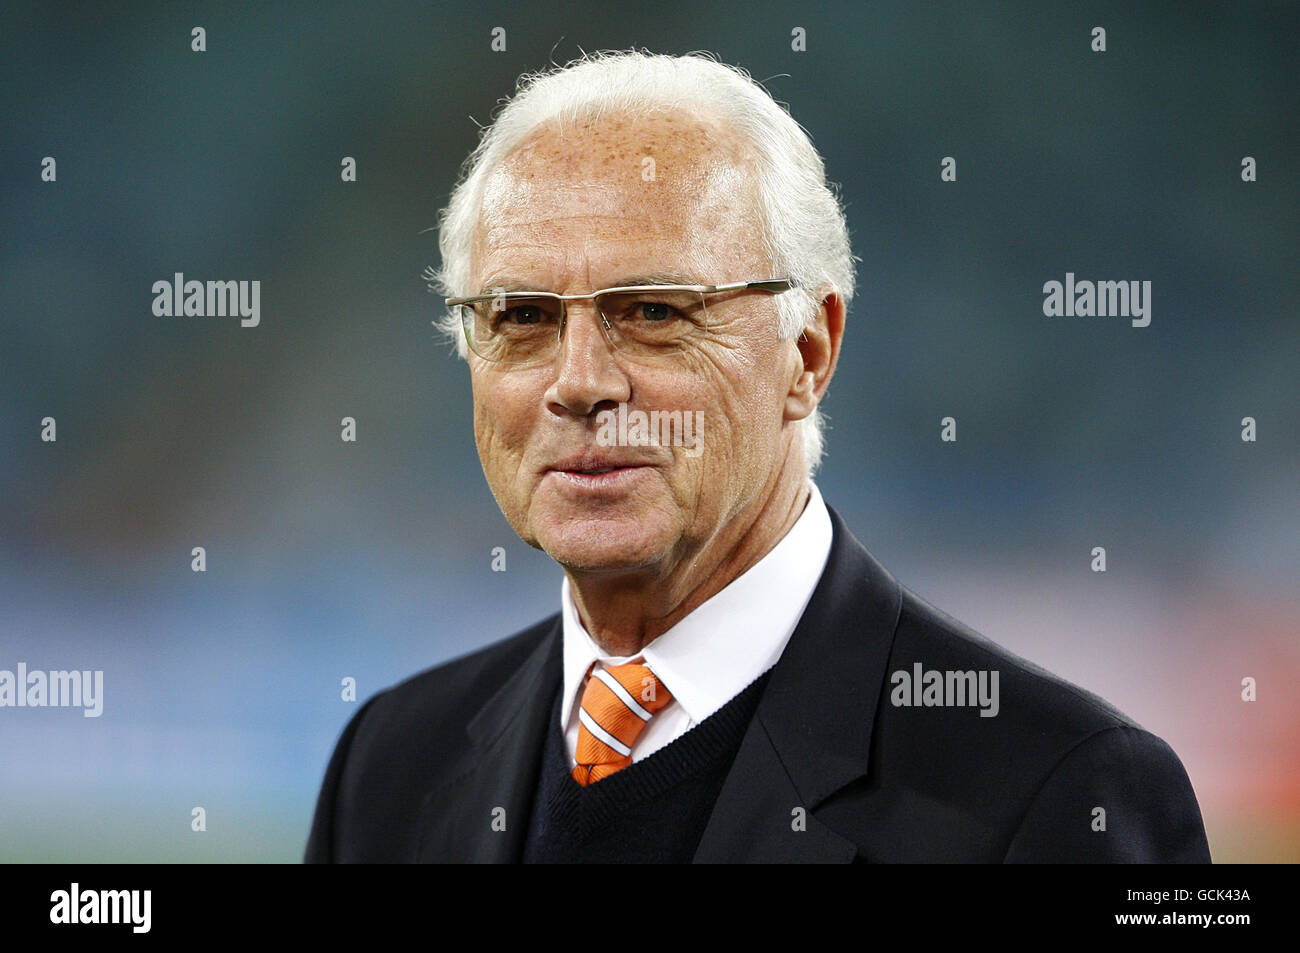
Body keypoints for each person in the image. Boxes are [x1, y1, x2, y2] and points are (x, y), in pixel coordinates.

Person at [305, 50, 1211, 863]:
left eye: (654, 311)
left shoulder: (1061, 794)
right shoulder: (387, 768)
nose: (578, 383)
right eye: (523, 316)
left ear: (807, 353)